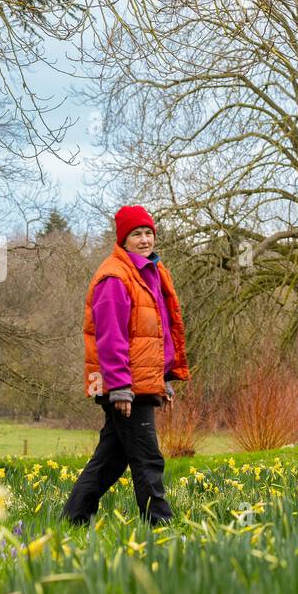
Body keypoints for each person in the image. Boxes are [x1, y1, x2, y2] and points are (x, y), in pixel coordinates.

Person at [62, 205, 189, 524]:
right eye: (137, 234)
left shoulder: (152, 272)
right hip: (125, 385)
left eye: (149, 233)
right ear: (123, 239)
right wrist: (120, 388)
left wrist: (164, 378)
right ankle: (160, 525)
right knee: (147, 458)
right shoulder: (115, 277)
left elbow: (156, 333)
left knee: (111, 459)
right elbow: (111, 337)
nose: (145, 240)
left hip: (143, 381)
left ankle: (73, 519)